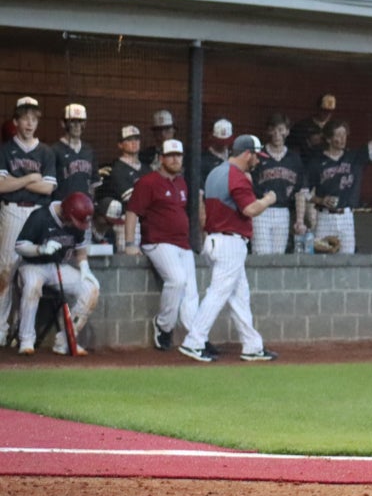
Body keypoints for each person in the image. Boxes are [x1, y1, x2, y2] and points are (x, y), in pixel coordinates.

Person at [178, 134, 278, 363]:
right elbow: (250, 209)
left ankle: (252, 345)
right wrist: (269, 199)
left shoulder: (216, 171)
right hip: (230, 241)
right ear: (246, 153)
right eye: (255, 155)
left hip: (215, 239)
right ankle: (194, 341)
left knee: (240, 296)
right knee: (217, 293)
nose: (257, 160)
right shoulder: (237, 176)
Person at [125, 138, 203, 352]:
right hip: (158, 242)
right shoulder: (148, 182)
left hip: (182, 244)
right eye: (171, 155)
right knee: (177, 280)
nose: (176, 159)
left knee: (191, 291)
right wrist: (130, 243)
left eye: (178, 155)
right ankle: (163, 325)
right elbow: (132, 211)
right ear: (161, 159)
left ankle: (195, 338)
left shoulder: (181, 182)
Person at [307, 99, 372, 254]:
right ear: (329, 139)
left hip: (346, 216)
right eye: (338, 135)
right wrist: (321, 200)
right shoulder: (317, 162)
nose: (343, 139)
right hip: (324, 217)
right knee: (321, 258)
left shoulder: (354, 157)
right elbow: (305, 192)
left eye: (345, 134)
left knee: (347, 258)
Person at [0, 96, 58, 347]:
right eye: (25, 119)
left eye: (34, 119)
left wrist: (19, 180)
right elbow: (2, 186)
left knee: (30, 272)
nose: (29, 124)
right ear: (16, 121)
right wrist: (30, 178)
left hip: (37, 214)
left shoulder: (46, 151)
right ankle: (1, 330)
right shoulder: (5, 149)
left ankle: (20, 332)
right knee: (6, 271)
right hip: (12, 211)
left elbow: (48, 189)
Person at [14, 191, 99, 356]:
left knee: (91, 289)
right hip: (32, 265)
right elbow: (19, 246)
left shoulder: (78, 221)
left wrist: (84, 267)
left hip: (58, 266)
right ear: (67, 213)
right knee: (32, 286)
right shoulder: (40, 216)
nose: (76, 225)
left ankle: (67, 340)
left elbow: (80, 249)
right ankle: (26, 340)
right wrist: (40, 249)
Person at [251, 113, 308, 254]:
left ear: (287, 131)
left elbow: (300, 192)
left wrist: (300, 220)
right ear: (268, 131)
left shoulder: (294, 159)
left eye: (281, 130)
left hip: (283, 211)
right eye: (274, 130)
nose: (277, 134)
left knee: (278, 255)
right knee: (261, 253)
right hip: (261, 211)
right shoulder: (259, 155)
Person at [52, 103, 100, 200]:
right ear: (63, 123)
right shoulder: (54, 150)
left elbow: (93, 184)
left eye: (80, 121)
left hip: (85, 207)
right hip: (61, 207)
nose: (77, 126)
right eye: (73, 121)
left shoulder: (89, 150)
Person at [290, 93, 337, 162]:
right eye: (324, 110)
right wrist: (308, 143)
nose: (327, 114)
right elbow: (290, 145)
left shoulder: (335, 127)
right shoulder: (303, 125)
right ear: (318, 108)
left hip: (328, 164)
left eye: (330, 111)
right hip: (307, 163)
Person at [200, 117, 234, 185]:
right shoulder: (203, 160)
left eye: (227, 141)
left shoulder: (235, 156)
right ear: (211, 136)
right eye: (220, 141)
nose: (224, 145)